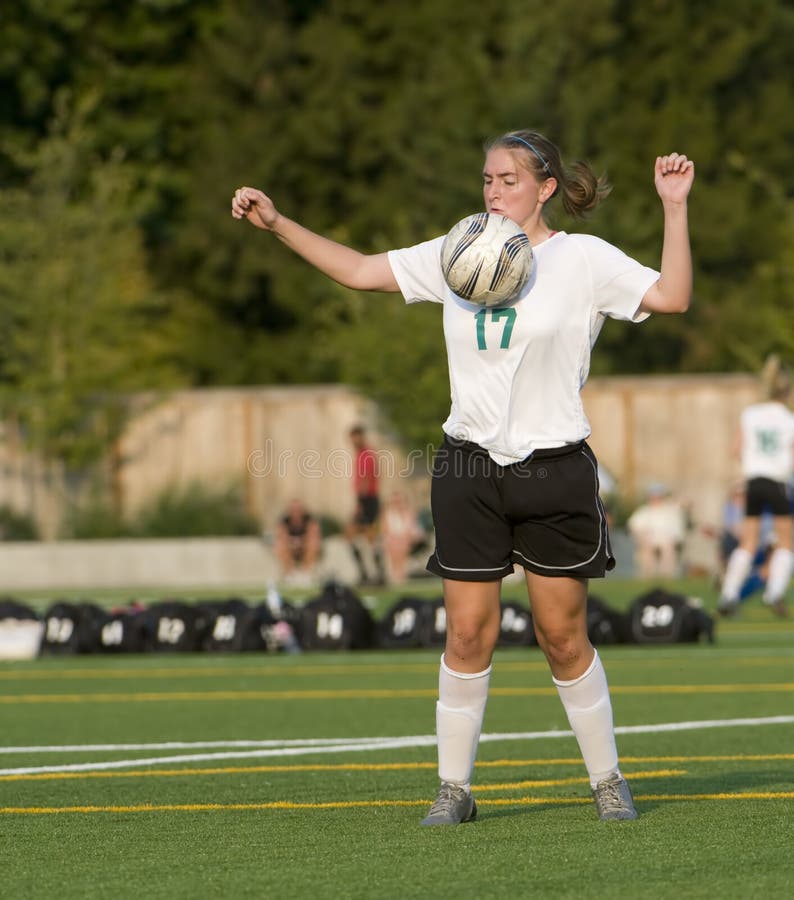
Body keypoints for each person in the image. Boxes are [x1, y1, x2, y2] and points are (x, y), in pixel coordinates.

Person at [232, 130, 694, 824]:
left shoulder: (582, 260)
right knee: (466, 633)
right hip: (468, 466)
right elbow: (359, 270)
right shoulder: (459, 250)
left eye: (508, 179)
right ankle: (453, 789)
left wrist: (674, 208)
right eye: (486, 179)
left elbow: (674, 298)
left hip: (555, 469)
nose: (493, 191)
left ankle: (607, 780)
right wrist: (276, 224)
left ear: (545, 188)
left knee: (562, 635)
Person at [718, 361, 794, 618]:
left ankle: (728, 594)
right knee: (786, 542)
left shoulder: (750, 415)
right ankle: (774, 593)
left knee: (748, 542)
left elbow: (736, 450)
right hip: (778, 481)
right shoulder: (788, 419)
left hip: (753, 481)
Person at [344, 424, 387, 586]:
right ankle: (367, 574)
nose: (354, 441)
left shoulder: (366, 454)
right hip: (366, 500)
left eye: (356, 437)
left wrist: (359, 504)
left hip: (368, 500)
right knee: (353, 536)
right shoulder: (361, 454)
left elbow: (366, 480)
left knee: (370, 537)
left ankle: (376, 575)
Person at [626, 483, 688, 578]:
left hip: (667, 542)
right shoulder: (644, 511)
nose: (655, 499)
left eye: (658, 496)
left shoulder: (671, 510)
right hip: (648, 541)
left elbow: (677, 530)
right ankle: (647, 576)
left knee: (668, 550)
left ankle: (666, 576)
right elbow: (634, 526)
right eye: (653, 496)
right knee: (646, 551)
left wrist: (671, 540)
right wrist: (642, 537)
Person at [273, 498, 322, 586]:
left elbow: (314, 534)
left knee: (313, 543)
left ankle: (306, 574)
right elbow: (281, 536)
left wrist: (301, 542)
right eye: (293, 510)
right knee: (280, 545)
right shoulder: (284, 521)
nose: (296, 512)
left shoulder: (310, 520)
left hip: (305, 547)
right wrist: (292, 543)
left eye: (298, 510)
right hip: (290, 548)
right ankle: (289, 575)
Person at [380, 490, 425, 584]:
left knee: (402, 559)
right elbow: (385, 528)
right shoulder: (388, 513)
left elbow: (411, 528)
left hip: (404, 540)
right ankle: (394, 578)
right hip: (392, 541)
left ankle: (401, 578)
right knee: (394, 559)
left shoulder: (408, 513)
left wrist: (406, 538)